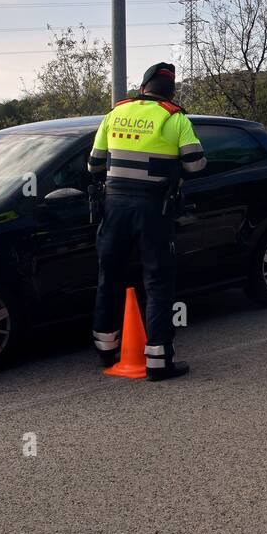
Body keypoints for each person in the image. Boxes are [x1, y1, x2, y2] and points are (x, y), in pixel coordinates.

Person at [88, 62, 205, 381]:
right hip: (153, 209)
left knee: (108, 276)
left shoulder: (115, 114)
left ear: (143, 87)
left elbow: (94, 164)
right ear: (171, 90)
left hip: (115, 207)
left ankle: (105, 349)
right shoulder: (174, 117)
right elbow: (196, 165)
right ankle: (158, 361)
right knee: (158, 282)